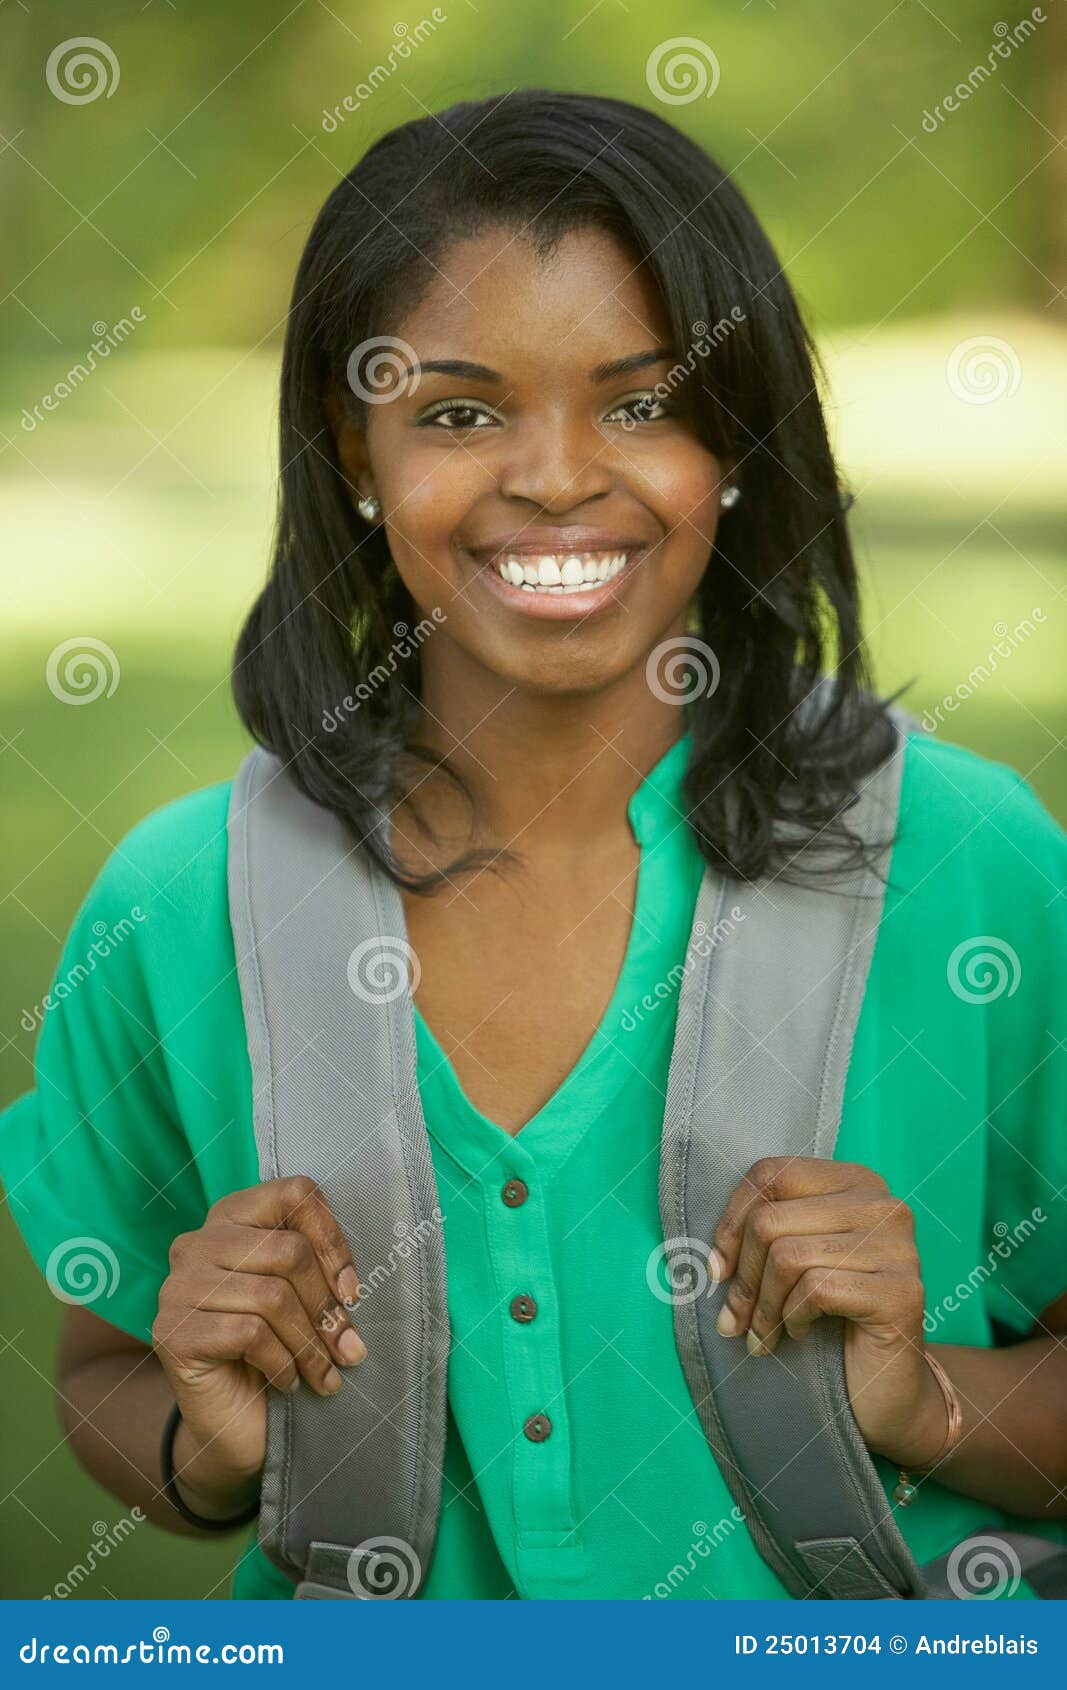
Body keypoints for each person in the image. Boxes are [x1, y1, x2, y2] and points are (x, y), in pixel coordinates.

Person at [3, 89, 1066, 1602]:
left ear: (738, 439)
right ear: (349, 448)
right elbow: (107, 1371)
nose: (559, 475)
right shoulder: (185, 906)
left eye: (641, 401)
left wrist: (926, 1398)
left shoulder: (976, 868)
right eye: (456, 410)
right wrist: (210, 1445)